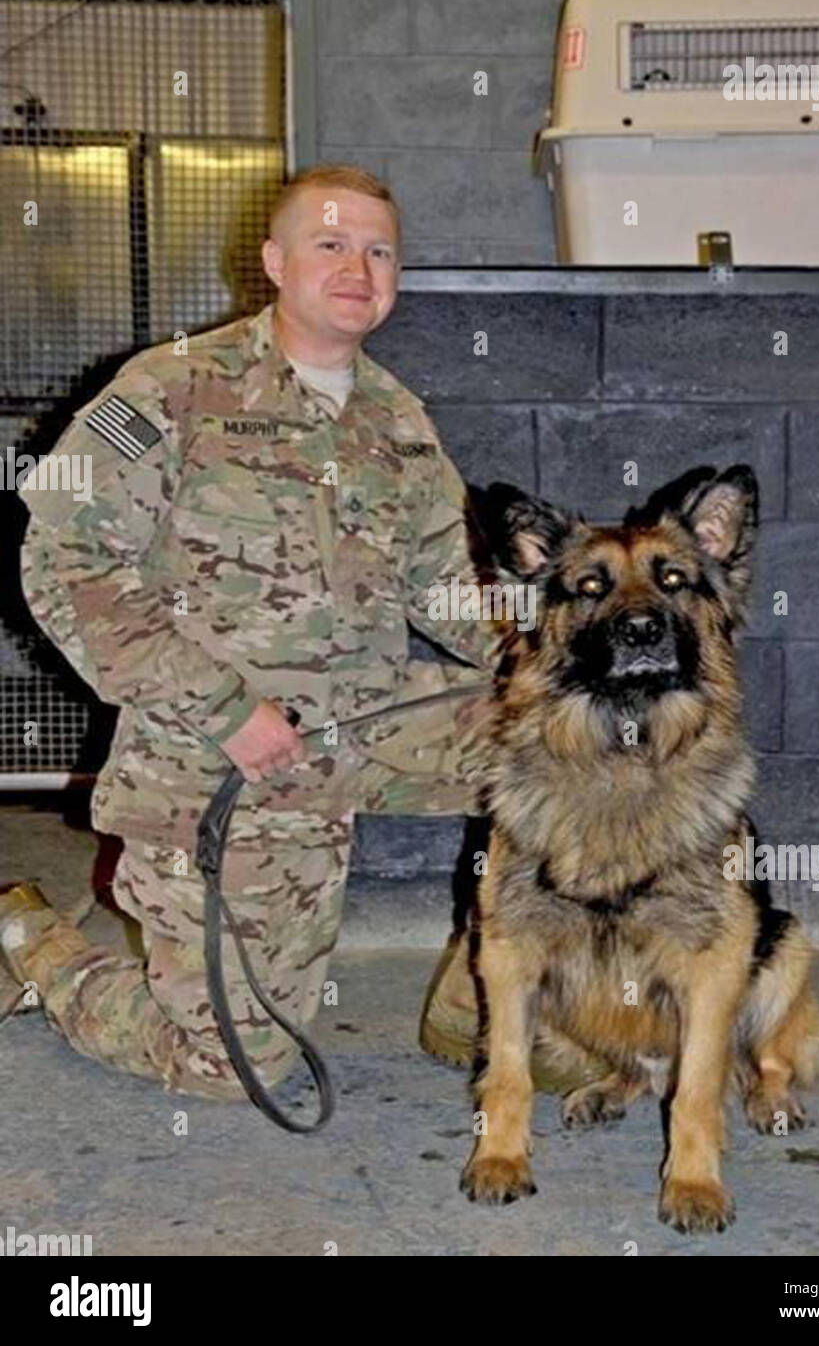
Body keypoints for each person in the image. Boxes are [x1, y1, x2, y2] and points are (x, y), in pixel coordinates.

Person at [0, 163, 515, 1100]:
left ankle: (494, 987)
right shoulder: (173, 389)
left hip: (355, 722)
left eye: (379, 250)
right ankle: (37, 949)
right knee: (235, 1071)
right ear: (275, 261)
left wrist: (566, 660)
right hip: (216, 760)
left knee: (591, 742)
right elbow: (65, 567)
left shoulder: (397, 421)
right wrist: (224, 705)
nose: (359, 267)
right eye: (332, 243)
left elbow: (449, 590)